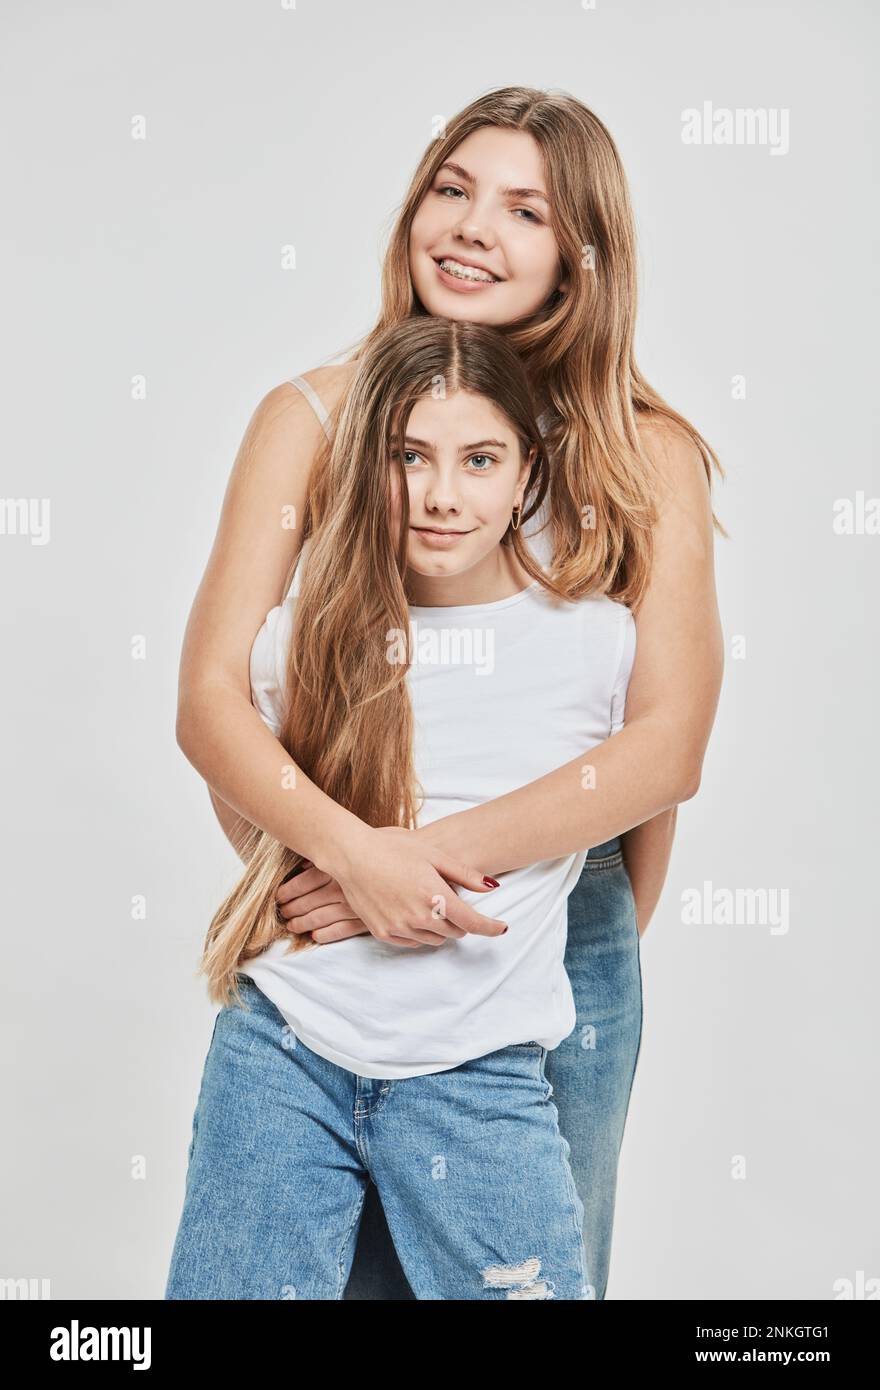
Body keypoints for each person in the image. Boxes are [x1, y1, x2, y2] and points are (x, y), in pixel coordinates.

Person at [174, 86, 725, 1299]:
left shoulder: (646, 455)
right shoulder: (311, 419)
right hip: (329, 881)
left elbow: (665, 742)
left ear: (582, 257)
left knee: (523, 1270)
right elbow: (214, 693)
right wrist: (343, 857)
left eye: (525, 210)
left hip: (538, 920)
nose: (474, 227)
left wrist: (420, 867)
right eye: (452, 188)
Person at [165, 317, 637, 1300]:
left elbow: (631, 840)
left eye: (477, 459)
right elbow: (230, 755)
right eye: (406, 456)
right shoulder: (309, 636)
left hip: (479, 1080)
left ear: (525, 477)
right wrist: (322, 872)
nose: (439, 493)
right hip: (284, 1052)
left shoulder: (596, 648)